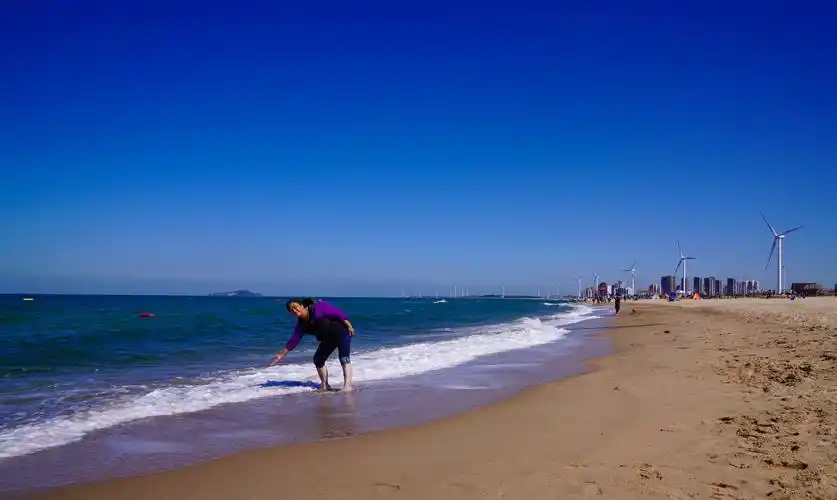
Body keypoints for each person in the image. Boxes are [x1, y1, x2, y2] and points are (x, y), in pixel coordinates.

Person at [269, 298, 356, 392]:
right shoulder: (301, 325)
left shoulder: (318, 307)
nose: (294, 310)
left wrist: (349, 325)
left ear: (302, 306)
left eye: (295, 307)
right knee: (318, 360)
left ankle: (347, 386)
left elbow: (338, 313)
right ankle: (325, 385)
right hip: (328, 339)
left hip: (342, 332)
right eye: (291, 310)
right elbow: (294, 340)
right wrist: (281, 355)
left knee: (344, 358)